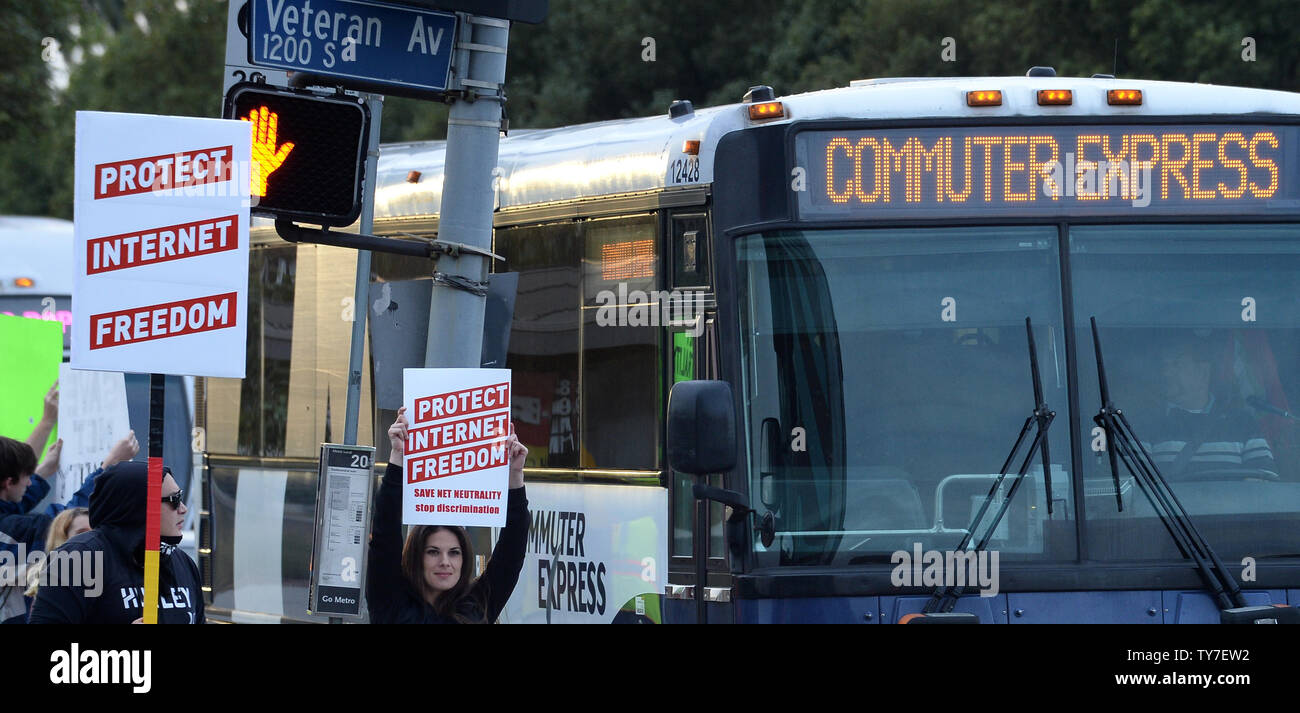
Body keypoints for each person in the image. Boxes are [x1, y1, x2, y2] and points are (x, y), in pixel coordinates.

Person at [367, 407, 529, 624]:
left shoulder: (477, 606)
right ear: (416, 556)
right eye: (433, 552)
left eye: (454, 553)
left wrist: (515, 474)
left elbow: (512, 550)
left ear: (465, 559)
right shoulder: (390, 601)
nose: (445, 562)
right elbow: (384, 530)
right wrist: (398, 455)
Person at [28, 461, 203, 624]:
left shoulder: (182, 562)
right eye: (174, 500)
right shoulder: (79, 558)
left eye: (181, 498)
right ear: (136, 505)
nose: (183, 508)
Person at [1143, 337, 1277, 478]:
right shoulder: (1146, 423)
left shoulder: (1243, 423)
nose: (1166, 373)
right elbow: (1133, 488)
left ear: (1203, 372)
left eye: (1176, 365)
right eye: (1165, 366)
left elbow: (1264, 484)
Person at [24, 506, 90, 601]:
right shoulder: (51, 582)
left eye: (95, 532)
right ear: (62, 538)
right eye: (82, 533)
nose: (91, 538)